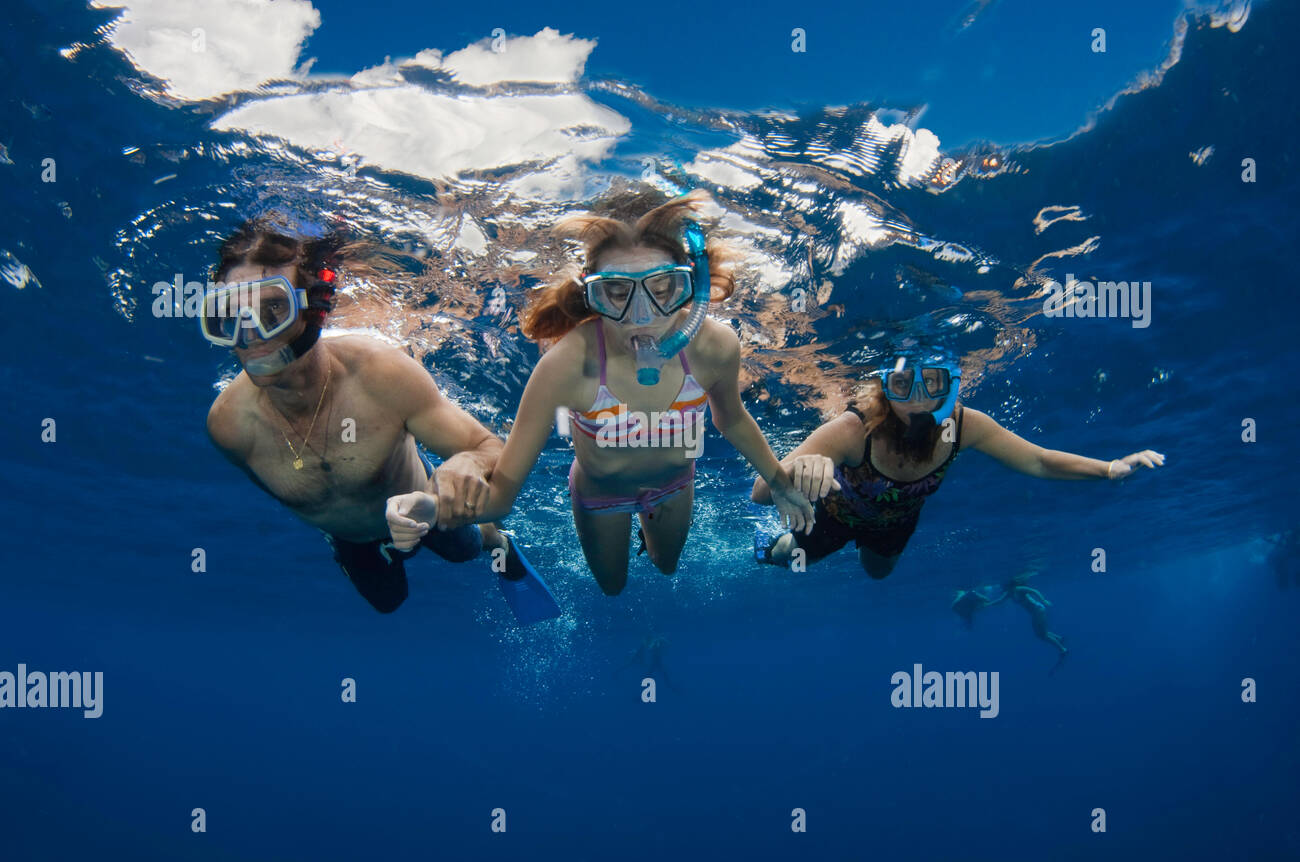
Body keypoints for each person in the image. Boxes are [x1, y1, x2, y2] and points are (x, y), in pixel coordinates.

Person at [385, 190, 814, 595]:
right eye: (617, 293)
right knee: (612, 588)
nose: (642, 317)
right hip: (599, 493)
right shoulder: (566, 366)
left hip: (674, 485)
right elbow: (500, 499)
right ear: (592, 294)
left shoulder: (714, 346)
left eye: (662, 289)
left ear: (692, 287)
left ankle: (651, 535)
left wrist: (780, 483)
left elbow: (731, 418)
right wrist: (429, 508)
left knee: (666, 566)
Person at [202, 216, 558, 622]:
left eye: (273, 309)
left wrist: (466, 462)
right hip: (350, 537)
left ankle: (501, 545)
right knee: (387, 602)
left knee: (464, 551)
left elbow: (488, 446)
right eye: (231, 314)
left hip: (424, 506)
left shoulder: (380, 374)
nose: (251, 336)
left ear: (315, 309)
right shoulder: (228, 428)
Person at [753, 354, 1166, 578]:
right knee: (790, 560)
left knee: (878, 575)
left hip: (896, 523)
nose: (915, 399)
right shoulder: (852, 430)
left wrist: (1109, 469)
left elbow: (1038, 461)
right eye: (901, 384)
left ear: (949, 386)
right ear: (884, 388)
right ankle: (772, 546)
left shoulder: (965, 426)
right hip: (835, 516)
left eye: (930, 382)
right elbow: (759, 492)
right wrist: (797, 469)